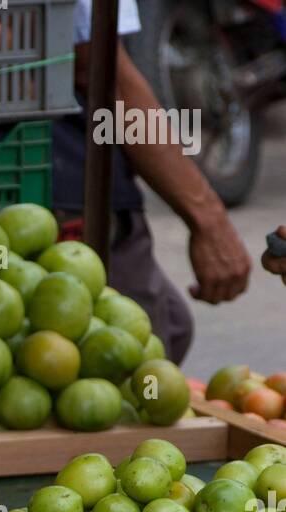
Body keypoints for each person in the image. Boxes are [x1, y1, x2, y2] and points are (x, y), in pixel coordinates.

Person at [50, 0, 251, 363]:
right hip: (63, 175)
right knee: (144, 353)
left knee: (173, 325)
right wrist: (209, 220)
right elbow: (100, 72)